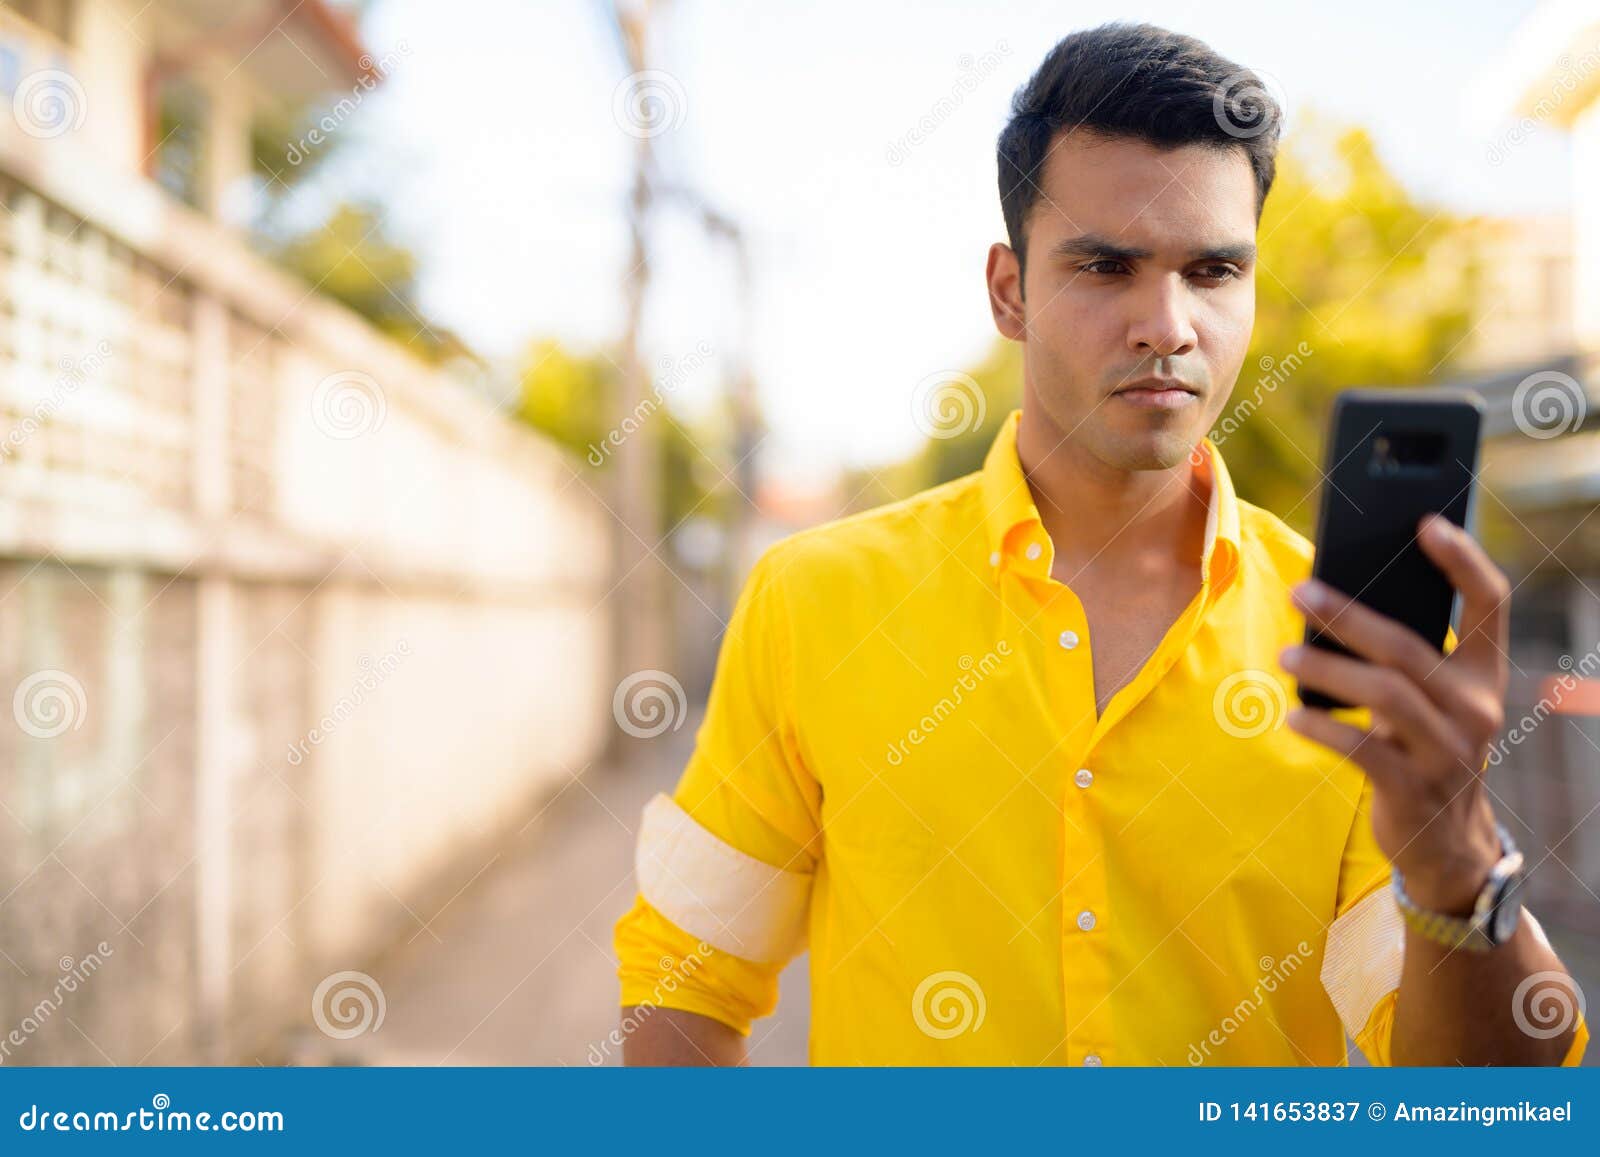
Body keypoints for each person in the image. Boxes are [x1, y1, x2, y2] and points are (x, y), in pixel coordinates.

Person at [611, 21, 1589, 1066]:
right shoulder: (815, 600)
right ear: (1010, 291)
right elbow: (687, 978)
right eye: (1106, 266)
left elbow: (1478, 1097)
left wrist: (1457, 872)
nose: (1167, 323)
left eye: (1212, 269)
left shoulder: (1352, 645)